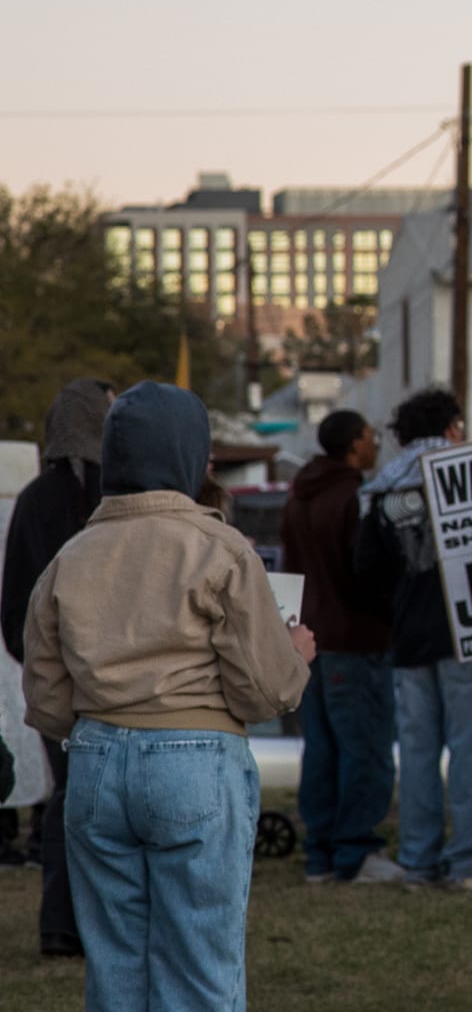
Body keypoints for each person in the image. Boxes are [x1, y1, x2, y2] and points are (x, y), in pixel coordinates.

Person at [21, 382, 316, 1012]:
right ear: (190, 453)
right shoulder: (221, 549)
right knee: (201, 971)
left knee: (116, 972)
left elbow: (45, 698)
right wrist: (297, 657)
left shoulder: (70, 558)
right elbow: (265, 689)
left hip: (96, 763)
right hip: (196, 760)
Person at [355, 386, 472, 891]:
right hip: (469, 636)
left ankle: (418, 862)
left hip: (409, 638)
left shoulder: (381, 489)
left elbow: (366, 569)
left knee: (419, 752)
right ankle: (469, 863)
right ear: (452, 426)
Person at [0, 377, 112, 959]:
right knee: (95, 799)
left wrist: (42, 662)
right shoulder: (115, 497)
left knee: (71, 797)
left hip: (55, 677)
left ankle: (62, 923)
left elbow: (13, 602)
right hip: (113, 677)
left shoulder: (36, 500)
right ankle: (87, 922)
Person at [281, 408, 404, 885]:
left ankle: (321, 852)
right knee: (365, 748)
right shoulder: (354, 498)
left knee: (322, 748)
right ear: (354, 445)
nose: (376, 445)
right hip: (357, 638)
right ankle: (356, 850)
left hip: (311, 637)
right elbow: (365, 572)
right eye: (371, 437)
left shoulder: (299, 498)